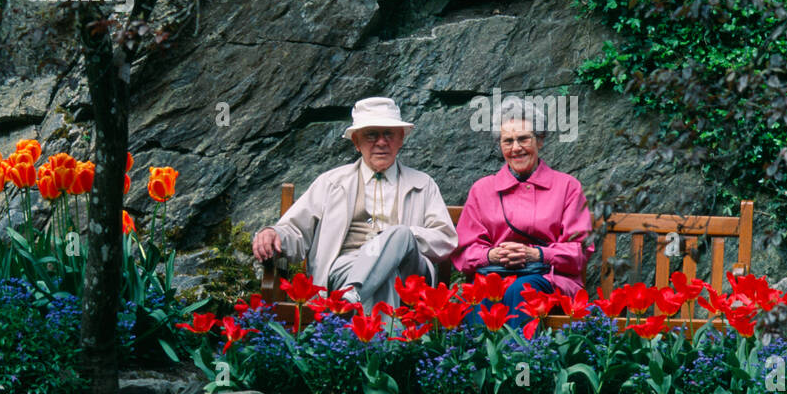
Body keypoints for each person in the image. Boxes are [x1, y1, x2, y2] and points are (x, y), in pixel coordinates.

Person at [252, 97, 456, 316]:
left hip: (410, 275)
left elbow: (445, 239)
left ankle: (353, 296)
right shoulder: (331, 183)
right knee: (384, 278)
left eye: (388, 133)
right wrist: (273, 233)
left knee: (400, 234)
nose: (381, 142)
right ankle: (383, 345)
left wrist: (397, 239)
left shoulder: (422, 184)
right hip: (346, 266)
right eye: (371, 135)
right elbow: (295, 231)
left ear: (401, 139)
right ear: (356, 143)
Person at [452, 96, 593, 327]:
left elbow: (578, 253)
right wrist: (491, 256)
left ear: (540, 141)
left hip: (551, 279)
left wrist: (536, 255)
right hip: (494, 276)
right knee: (485, 293)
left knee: (521, 289)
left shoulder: (568, 187)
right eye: (507, 141)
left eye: (524, 139)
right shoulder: (482, 189)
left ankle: (519, 361)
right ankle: (483, 363)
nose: (516, 148)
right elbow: (465, 251)